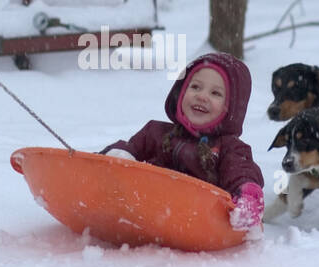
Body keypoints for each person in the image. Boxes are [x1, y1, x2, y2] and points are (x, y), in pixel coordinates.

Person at [101, 52, 265, 230]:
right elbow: (130, 149)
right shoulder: (156, 132)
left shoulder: (229, 148)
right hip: (147, 211)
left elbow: (242, 173)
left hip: (198, 221)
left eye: (216, 93)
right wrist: (117, 156)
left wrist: (248, 196)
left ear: (232, 107)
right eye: (195, 87)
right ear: (181, 92)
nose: (202, 96)